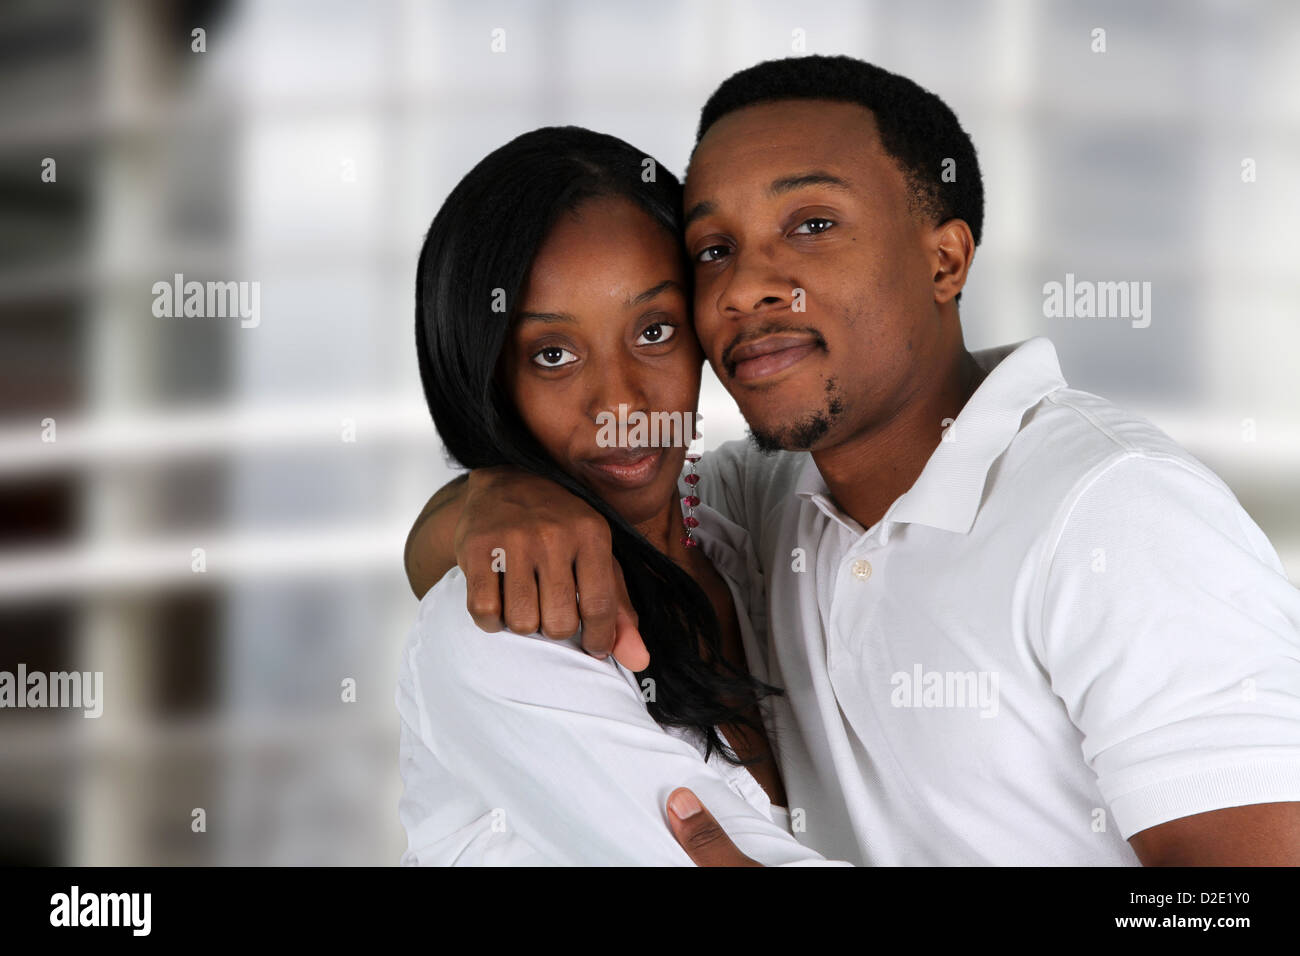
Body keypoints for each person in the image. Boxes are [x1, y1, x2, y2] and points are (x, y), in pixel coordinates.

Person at [406, 55, 1300, 866]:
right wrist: (490, 498)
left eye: (812, 223)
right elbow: (467, 564)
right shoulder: (763, 508)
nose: (751, 284)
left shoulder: (1114, 512)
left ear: (945, 258)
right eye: (715, 249)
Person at [397, 124, 850, 865]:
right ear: (484, 378)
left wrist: (481, 496)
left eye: (654, 331)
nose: (622, 405)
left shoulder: (747, 532)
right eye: (553, 354)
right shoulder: (503, 631)